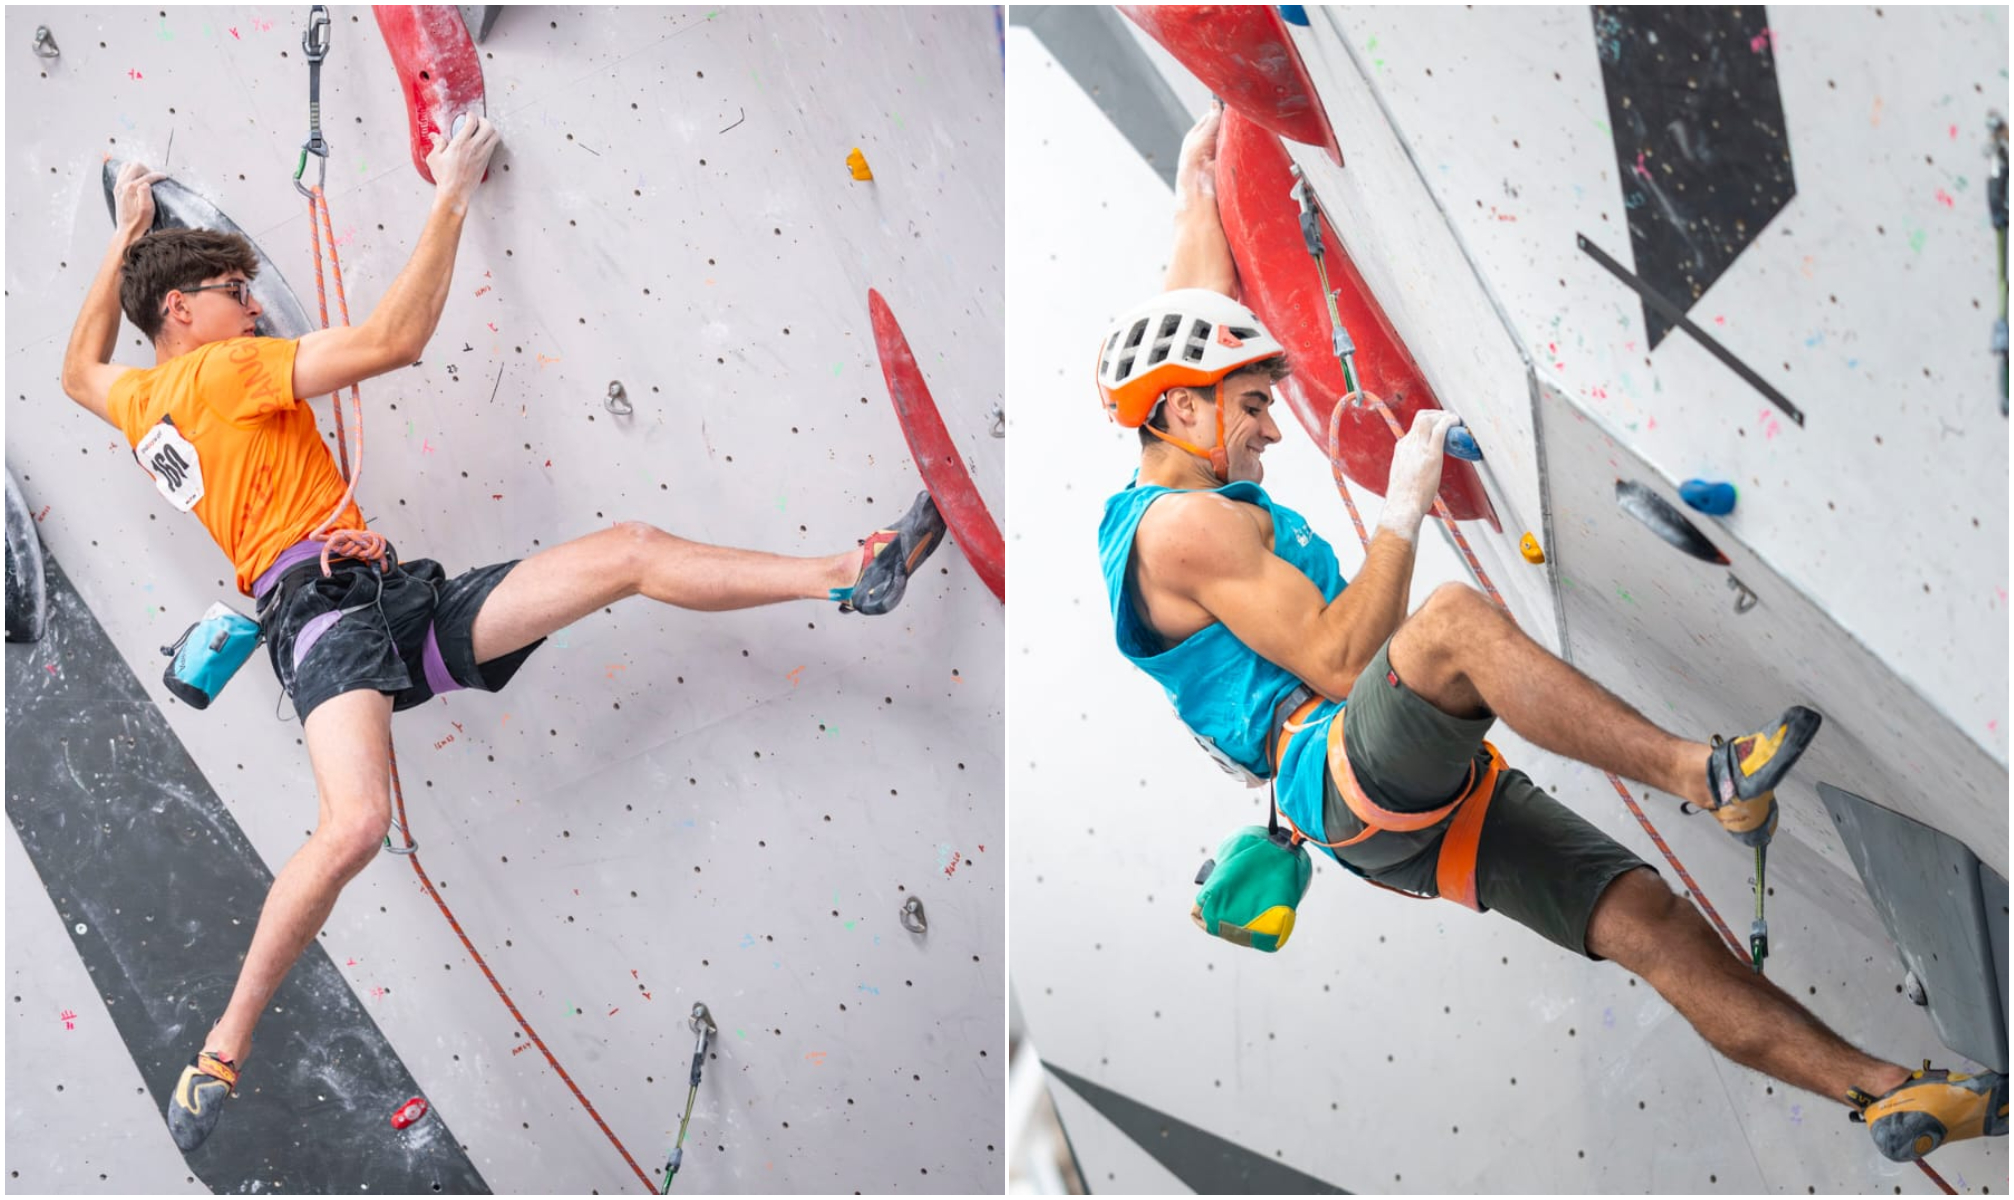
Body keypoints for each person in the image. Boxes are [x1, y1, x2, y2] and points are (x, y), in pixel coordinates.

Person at [1092, 102, 2005, 1165]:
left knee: (1647, 924)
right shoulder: (1188, 527)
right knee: (1452, 626)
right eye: (1251, 405)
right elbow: (1341, 660)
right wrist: (1404, 507)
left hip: (1386, 820)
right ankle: (1706, 775)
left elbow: (1192, 310)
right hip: (1340, 765)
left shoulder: (1161, 488)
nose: (1267, 428)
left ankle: (1891, 1093)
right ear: (1181, 412)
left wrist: (1196, 184)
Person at [60, 120, 946, 1152]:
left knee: (626, 552)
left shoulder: (140, 402)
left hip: (375, 595)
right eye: (235, 293)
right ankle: (221, 1051)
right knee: (355, 825)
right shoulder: (225, 371)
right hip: (322, 616)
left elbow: (78, 367)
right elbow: (394, 341)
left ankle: (850, 573)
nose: (255, 308)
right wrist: (451, 191)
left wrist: (124, 235)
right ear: (181, 310)